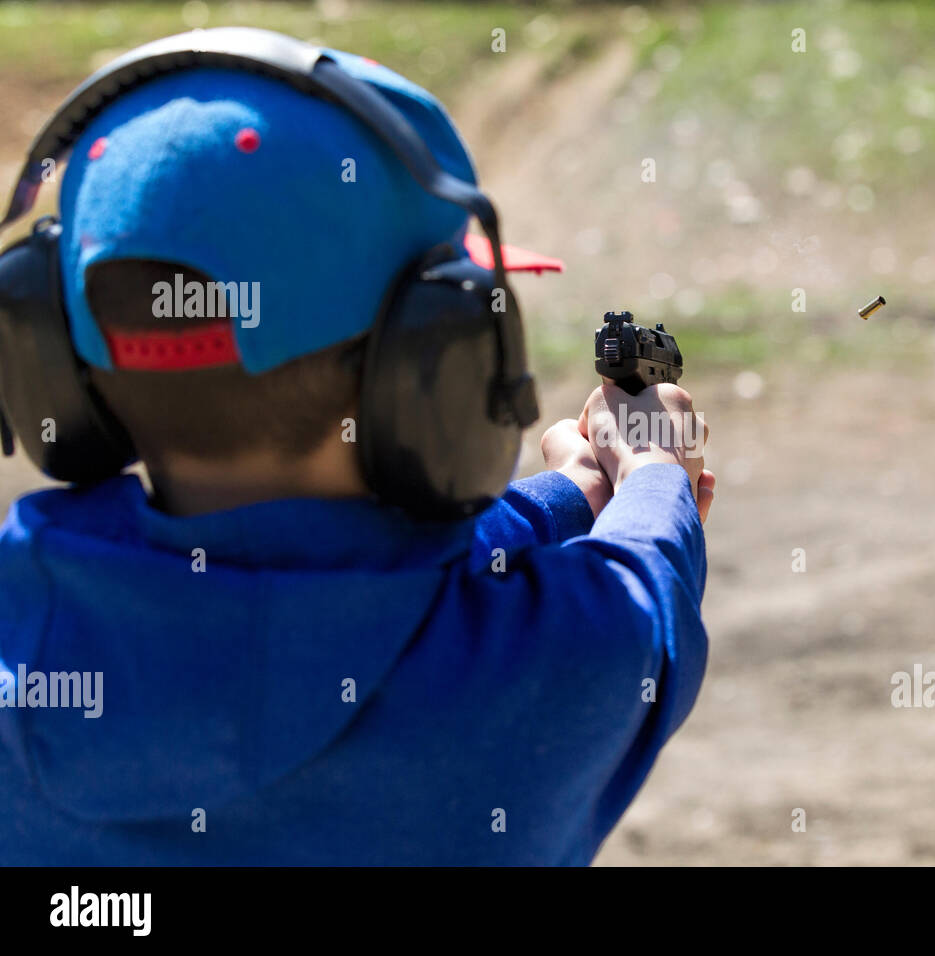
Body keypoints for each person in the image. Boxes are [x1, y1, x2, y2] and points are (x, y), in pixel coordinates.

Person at [0, 33, 713, 865]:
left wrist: (574, 489)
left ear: (51, 357)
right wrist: (652, 464)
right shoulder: (556, 666)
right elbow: (643, 589)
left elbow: (339, 579)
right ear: (440, 363)